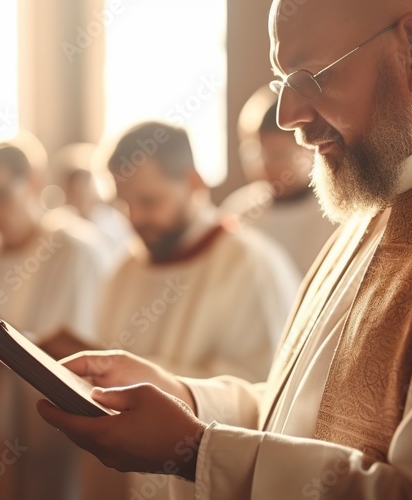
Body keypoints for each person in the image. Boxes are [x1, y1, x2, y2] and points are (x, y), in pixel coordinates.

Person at [36, 1, 412, 499]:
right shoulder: (377, 208)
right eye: (283, 82)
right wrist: (186, 400)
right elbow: (303, 415)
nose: (287, 115)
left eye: (311, 77)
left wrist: (200, 452)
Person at [76, 121, 301, 500]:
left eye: (149, 201)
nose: (135, 218)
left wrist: (149, 384)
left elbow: (270, 397)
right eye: (123, 204)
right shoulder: (124, 270)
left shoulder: (252, 265)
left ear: (194, 183)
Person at [0, 143, 110, 500]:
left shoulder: (75, 250)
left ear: (33, 182)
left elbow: (83, 354)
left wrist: (2, 339)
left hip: (35, 426)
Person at [221, 85, 337, 274]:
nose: (264, 166)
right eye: (255, 155)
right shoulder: (238, 209)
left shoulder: (331, 217)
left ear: (308, 151)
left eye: (278, 155)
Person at [50, 142, 134, 264]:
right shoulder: (57, 225)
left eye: (83, 186)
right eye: (73, 190)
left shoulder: (114, 224)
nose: (79, 194)